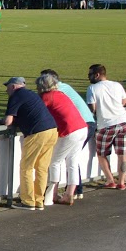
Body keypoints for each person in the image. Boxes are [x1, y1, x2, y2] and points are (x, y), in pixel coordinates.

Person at [0, 76, 57, 209]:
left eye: (7, 87)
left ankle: (28, 201)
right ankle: (39, 200)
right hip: (52, 130)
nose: (6, 90)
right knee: (42, 168)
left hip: (37, 133)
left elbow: (8, 121)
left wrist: (1, 121)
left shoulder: (16, 96)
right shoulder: (31, 94)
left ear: (13, 86)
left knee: (26, 167)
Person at [37, 73, 87, 207]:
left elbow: (37, 111)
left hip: (70, 131)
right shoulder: (61, 94)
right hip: (82, 127)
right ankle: (69, 193)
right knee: (72, 161)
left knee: (55, 161)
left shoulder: (46, 97)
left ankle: (52, 193)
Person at [85, 64, 126, 189]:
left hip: (105, 125)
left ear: (97, 75)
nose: (88, 77)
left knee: (102, 154)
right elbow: (124, 101)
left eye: (90, 74)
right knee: (122, 153)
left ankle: (110, 180)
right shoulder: (117, 85)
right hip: (123, 122)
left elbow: (92, 108)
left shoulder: (92, 88)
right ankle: (122, 182)